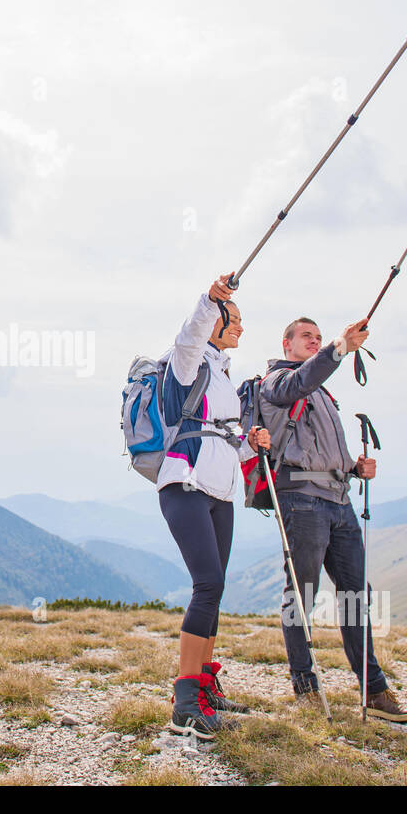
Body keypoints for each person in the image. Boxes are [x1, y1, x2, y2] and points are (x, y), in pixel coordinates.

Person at [256, 315, 407, 722]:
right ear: (286, 342)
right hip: (302, 501)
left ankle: (375, 691)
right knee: (302, 595)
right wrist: (338, 347)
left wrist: (352, 468)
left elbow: (321, 448)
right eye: (305, 337)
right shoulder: (276, 383)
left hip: (339, 500)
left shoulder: (323, 394)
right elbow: (299, 383)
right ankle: (306, 689)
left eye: (316, 336)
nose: (313, 341)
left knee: (354, 596)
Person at [159, 273, 271, 741]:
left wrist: (250, 444)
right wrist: (210, 300)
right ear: (215, 324)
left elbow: (221, 440)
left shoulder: (221, 373)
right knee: (207, 584)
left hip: (220, 490)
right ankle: (186, 700)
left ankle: (205, 682)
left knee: (216, 587)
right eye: (235, 321)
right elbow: (189, 334)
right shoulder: (188, 361)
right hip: (184, 484)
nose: (241, 328)